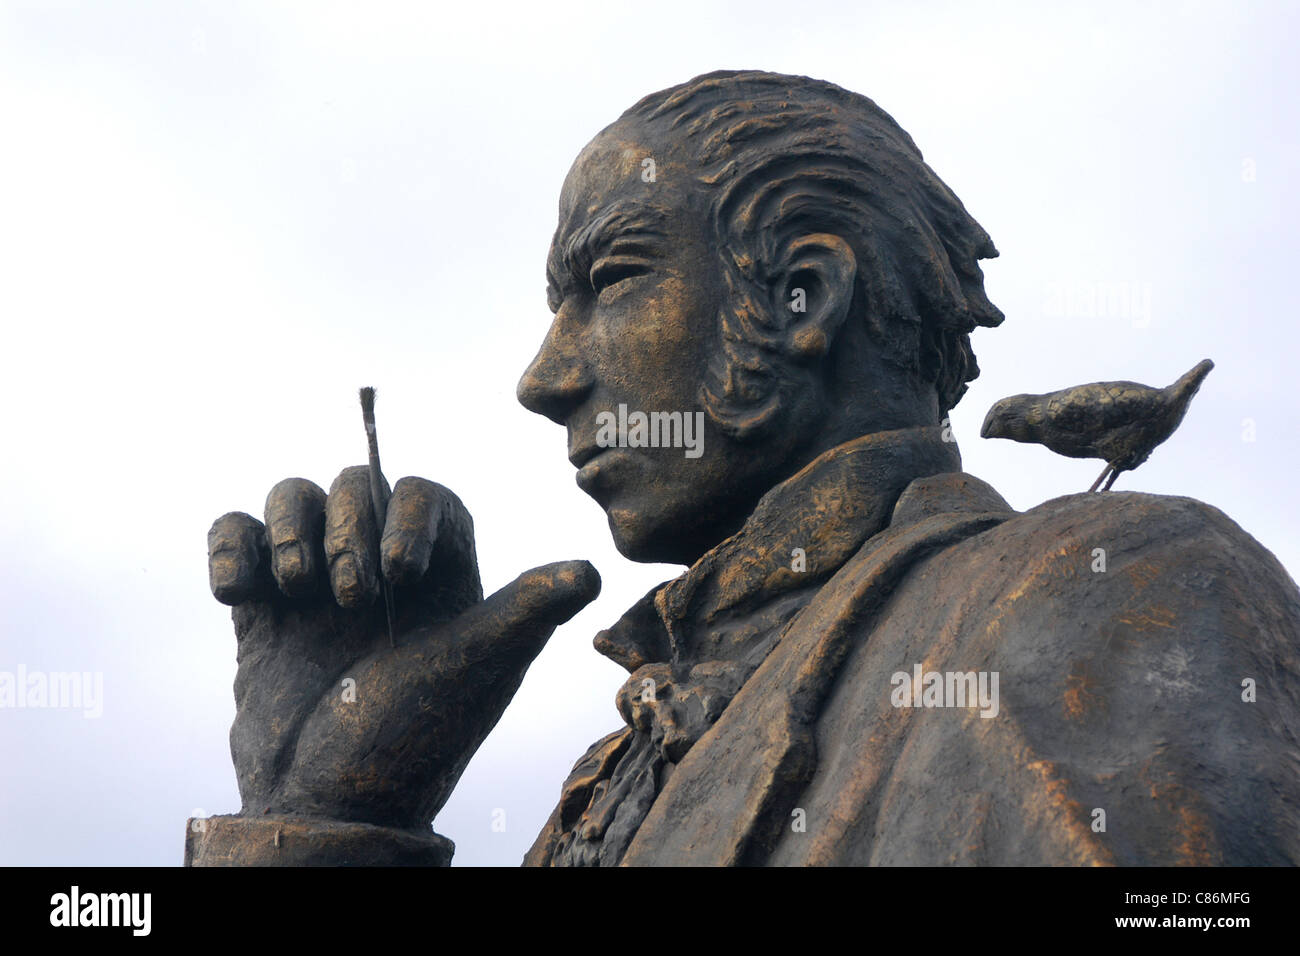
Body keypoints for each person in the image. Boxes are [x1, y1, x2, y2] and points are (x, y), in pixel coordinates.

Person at [191, 70, 1300, 866]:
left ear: (801, 293)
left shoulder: (1108, 589)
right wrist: (327, 817)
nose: (542, 377)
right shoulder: (622, 763)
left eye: (609, 280)